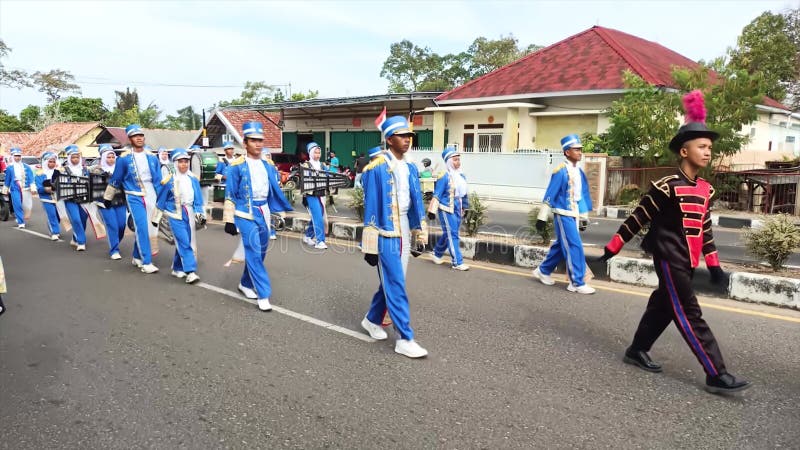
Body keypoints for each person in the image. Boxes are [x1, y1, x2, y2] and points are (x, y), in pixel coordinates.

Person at [598, 90, 750, 394]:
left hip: (689, 260)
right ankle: (715, 372)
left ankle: (636, 350)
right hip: (668, 257)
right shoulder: (665, 186)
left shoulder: (706, 189)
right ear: (684, 151)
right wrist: (611, 249)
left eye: (710, 147)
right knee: (689, 312)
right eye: (701, 146)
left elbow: (705, 229)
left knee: (664, 307)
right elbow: (638, 217)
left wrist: (715, 266)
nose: (708, 152)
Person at [360, 116, 429, 358]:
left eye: (409, 135)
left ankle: (371, 319)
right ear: (389, 139)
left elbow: (416, 202)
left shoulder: (411, 167)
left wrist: (419, 233)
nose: (407, 140)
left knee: (391, 281)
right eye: (401, 135)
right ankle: (404, 338)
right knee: (397, 283)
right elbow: (370, 206)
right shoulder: (376, 167)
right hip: (384, 232)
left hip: (404, 231)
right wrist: (369, 245)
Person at [223, 121, 293, 311]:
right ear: (245, 143)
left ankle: (245, 283)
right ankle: (263, 294)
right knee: (253, 249)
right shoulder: (236, 166)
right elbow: (230, 194)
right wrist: (229, 220)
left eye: (260, 140)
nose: (258, 144)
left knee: (260, 252)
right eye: (253, 141)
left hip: (264, 211)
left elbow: (274, 190)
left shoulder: (268, 164)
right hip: (245, 212)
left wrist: (280, 210)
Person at [532, 133, 595, 294]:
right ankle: (576, 282)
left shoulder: (579, 172)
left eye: (581, 149)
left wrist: (583, 217)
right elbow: (550, 193)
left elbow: (581, 196)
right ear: (567, 152)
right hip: (562, 213)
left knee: (561, 246)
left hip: (573, 214)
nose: (580, 152)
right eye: (576, 150)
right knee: (575, 245)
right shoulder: (560, 171)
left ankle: (543, 270)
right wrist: (542, 217)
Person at [105, 124, 162, 274]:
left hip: (152, 194)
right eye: (136, 136)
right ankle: (146, 262)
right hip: (134, 195)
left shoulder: (152, 156)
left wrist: (163, 197)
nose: (139, 138)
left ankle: (137, 256)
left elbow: (158, 179)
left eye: (141, 135)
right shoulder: (124, 159)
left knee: (150, 227)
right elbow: (116, 179)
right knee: (142, 226)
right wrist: (108, 197)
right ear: (130, 139)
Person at [157, 149, 205, 284]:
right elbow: (161, 200)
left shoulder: (193, 179)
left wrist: (200, 214)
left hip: (189, 212)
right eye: (181, 162)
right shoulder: (169, 180)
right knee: (184, 241)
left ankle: (177, 267)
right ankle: (190, 271)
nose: (184, 165)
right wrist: (156, 219)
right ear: (175, 163)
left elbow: (198, 199)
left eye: (186, 161)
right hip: (174, 214)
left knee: (187, 240)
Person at [428, 146, 470, 271]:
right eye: (455, 160)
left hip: (458, 206)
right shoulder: (444, 176)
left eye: (459, 160)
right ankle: (457, 262)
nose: (458, 162)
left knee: (450, 233)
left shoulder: (461, 176)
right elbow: (437, 193)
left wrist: (466, 208)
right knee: (453, 235)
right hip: (446, 208)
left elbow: (464, 193)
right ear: (449, 161)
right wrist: (432, 210)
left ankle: (436, 254)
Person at [92, 144, 127, 260]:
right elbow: (94, 188)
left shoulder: (121, 169)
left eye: (113, 157)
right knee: (112, 225)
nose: (111, 159)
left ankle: (115, 241)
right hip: (104, 203)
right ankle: (114, 250)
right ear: (103, 158)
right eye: (108, 157)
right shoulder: (96, 170)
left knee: (121, 225)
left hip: (120, 201)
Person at [300, 142, 329, 249]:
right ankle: (320, 241)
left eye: (319, 153)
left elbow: (328, 177)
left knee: (319, 215)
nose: (317, 155)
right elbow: (305, 180)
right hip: (311, 194)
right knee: (317, 216)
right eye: (315, 153)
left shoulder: (323, 165)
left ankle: (308, 235)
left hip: (321, 194)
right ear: (310, 153)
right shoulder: (306, 165)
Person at [2, 147, 34, 228]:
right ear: (12, 156)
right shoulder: (9, 168)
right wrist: (5, 189)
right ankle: (21, 222)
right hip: (15, 187)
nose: (17, 157)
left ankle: (22, 216)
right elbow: (7, 179)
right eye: (16, 156)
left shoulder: (26, 166)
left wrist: (32, 186)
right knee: (17, 204)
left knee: (26, 205)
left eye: (19, 156)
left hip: (25, 187)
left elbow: (31, 177)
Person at [35, 152, 62, 241]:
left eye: (53, 162)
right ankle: (54, 232)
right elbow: (39, 188)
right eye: (50, 162)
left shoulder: (59, 172)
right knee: (52, 214)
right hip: (46, 198)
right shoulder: (39, 174)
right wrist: (45, 189)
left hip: (58, 197)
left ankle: (53, 226)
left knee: (58, 216)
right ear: (45, 162)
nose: (52, 164)